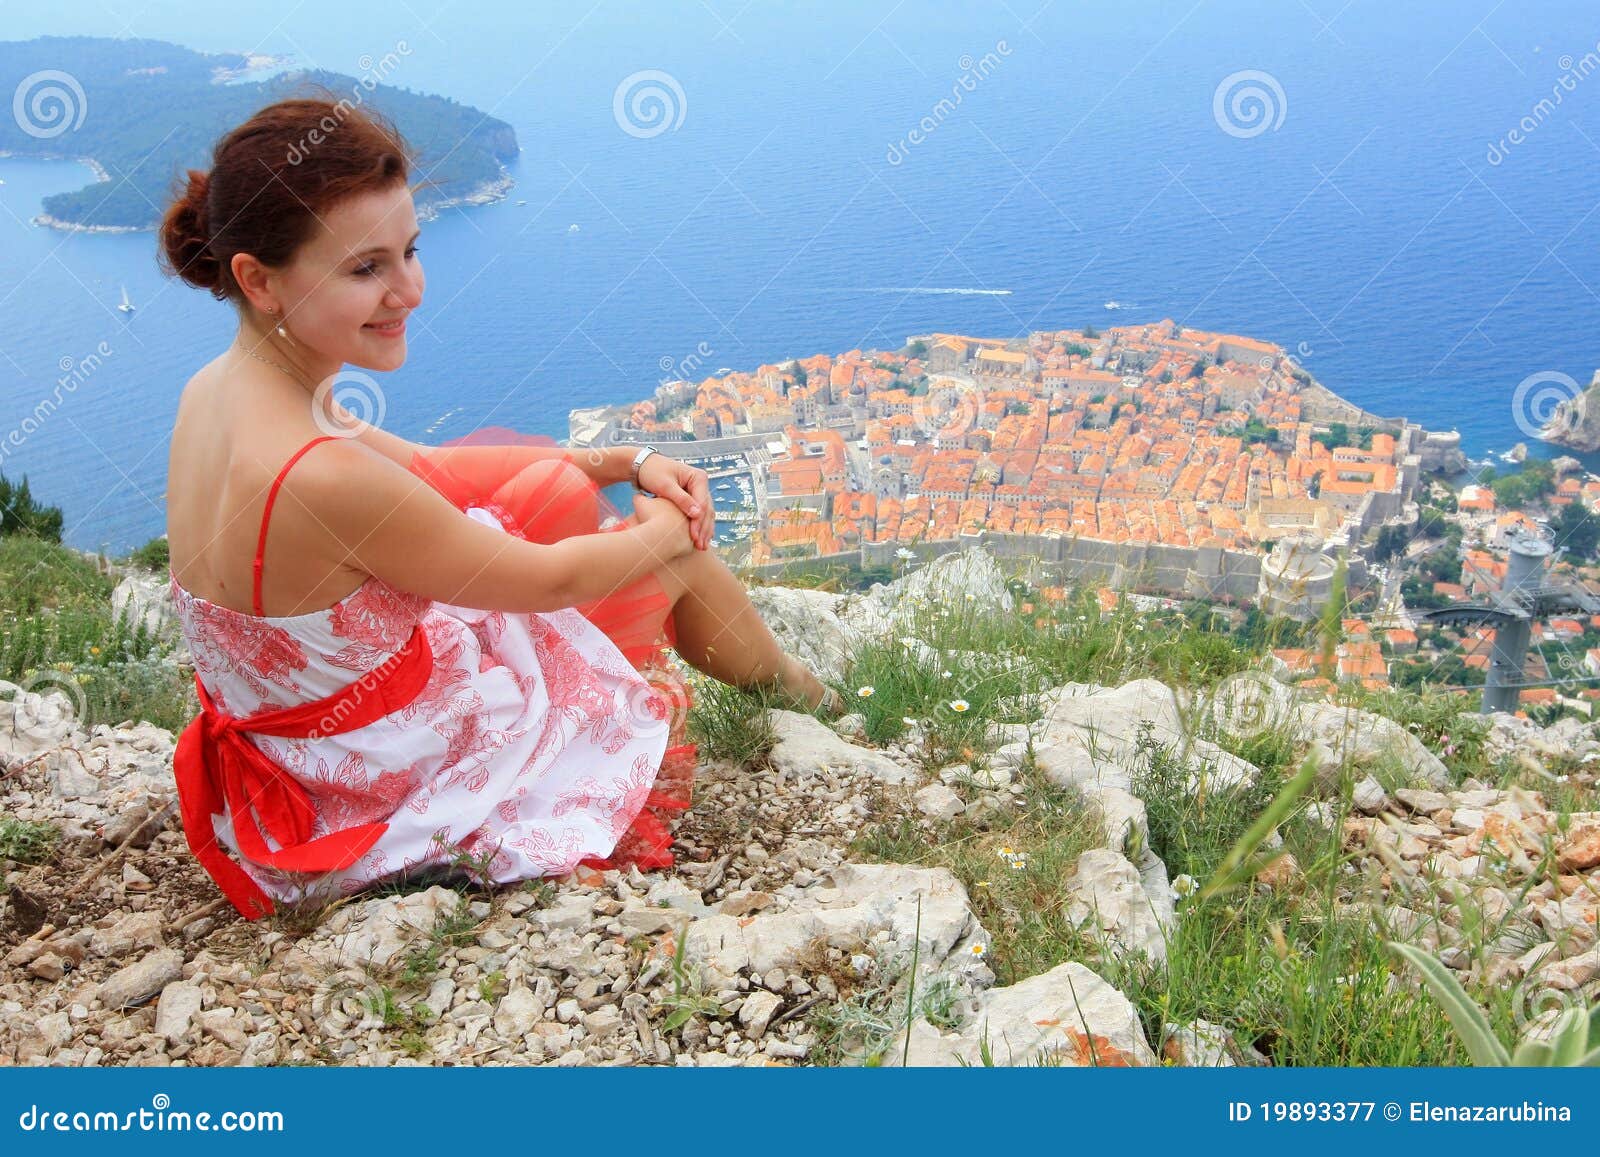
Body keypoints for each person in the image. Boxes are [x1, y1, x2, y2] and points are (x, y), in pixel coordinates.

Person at [156, 94, 845, 920]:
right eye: (364, 269)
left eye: (408, 251)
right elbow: (548, 581)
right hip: (379, 779)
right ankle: (814, 710)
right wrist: (667, 525)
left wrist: (625, 460)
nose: (408, 289)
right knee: (677, 558)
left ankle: (805, 700)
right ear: (259, 279)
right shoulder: (320, 476)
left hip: (292, 758)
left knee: (548, 492)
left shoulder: (217, 393)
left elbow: (436, 468)